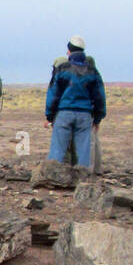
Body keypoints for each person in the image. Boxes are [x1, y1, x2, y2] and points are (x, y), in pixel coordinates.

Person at [45, 35, 105, 170]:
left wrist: (50, 116)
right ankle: (83, 179)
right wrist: (98, 118)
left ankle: (54, 176)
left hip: (64, 113)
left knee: (58, 149)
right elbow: (99, 96)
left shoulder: (62, 69)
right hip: (85, 114)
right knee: (83, 151)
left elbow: (53, 94)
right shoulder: (92, 71)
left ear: (70, 51)